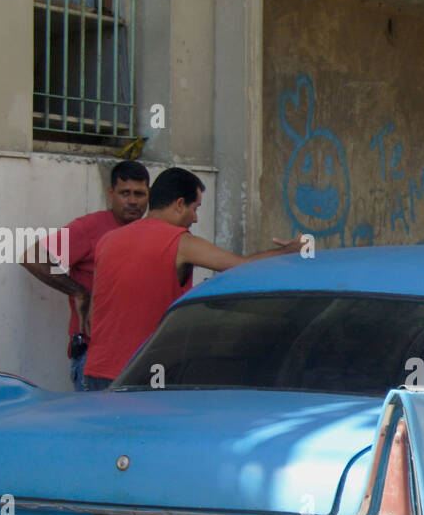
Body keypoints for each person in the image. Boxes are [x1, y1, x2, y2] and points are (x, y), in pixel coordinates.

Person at [81, 167, 304, 390]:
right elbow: (240, 267)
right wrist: (289, 251)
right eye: (195, 208)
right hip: (145, 374)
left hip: (96, 371)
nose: (195, 218)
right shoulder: (179, 242)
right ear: (179, 204)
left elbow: (93, 312)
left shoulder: (108, 240)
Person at [20, 160, 150, 390]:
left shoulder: (150, 231)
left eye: (139, 194)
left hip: (137, 355)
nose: (132, 201)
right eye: (125, 193)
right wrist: (78, 292)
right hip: (95, 356)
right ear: (111, 194)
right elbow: (33, 257)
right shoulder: (91, 227)